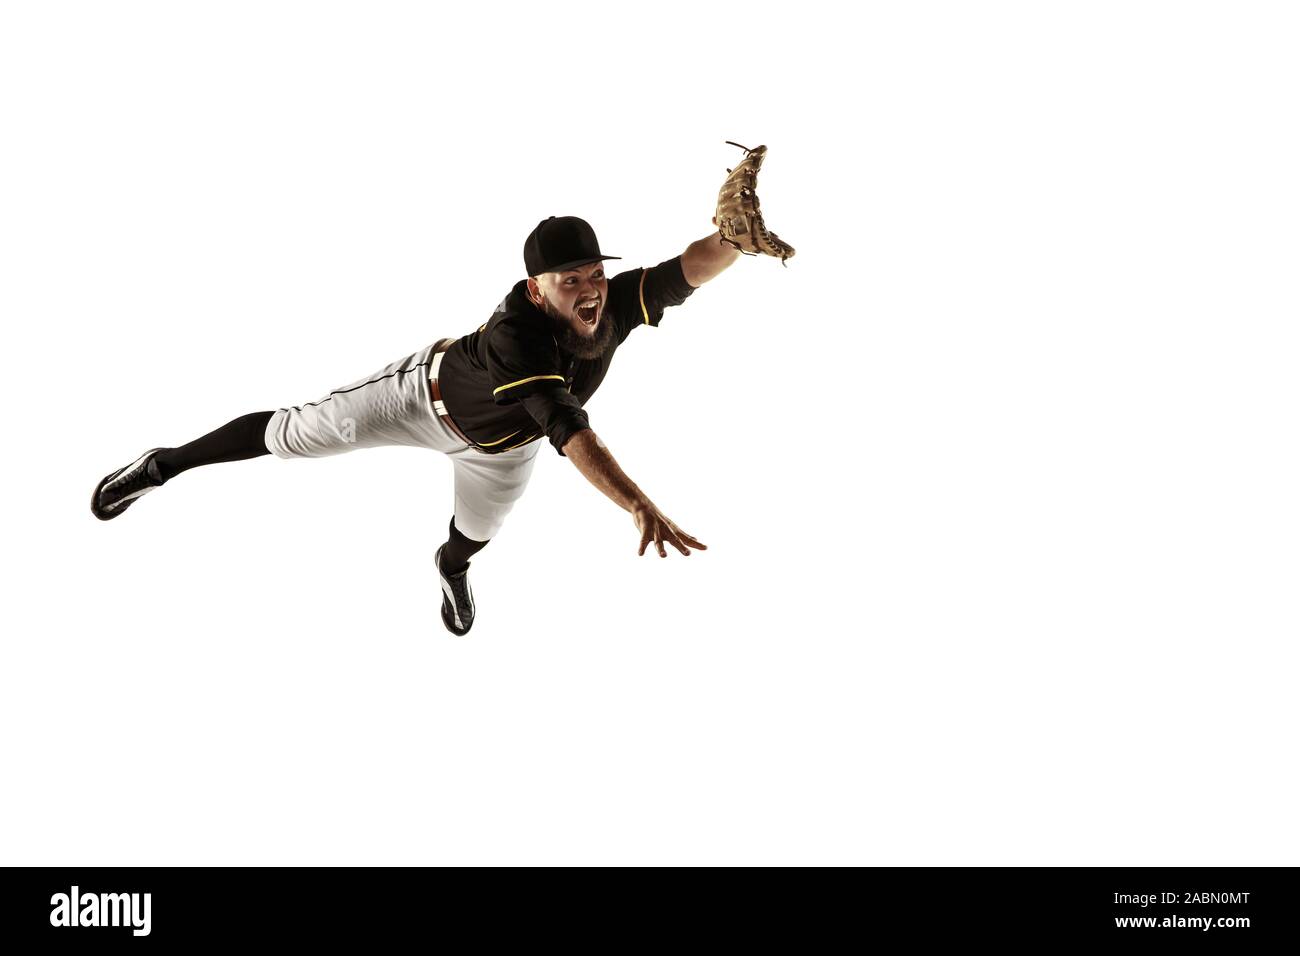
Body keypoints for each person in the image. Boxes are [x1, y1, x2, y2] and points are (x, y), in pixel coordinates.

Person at [91, 214, 742, 635]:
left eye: (596, 273)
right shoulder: (518, 334)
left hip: (503, 448)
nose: (591, 288)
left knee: (478, 532)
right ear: (536, 288)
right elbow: (571, 432)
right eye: (570, 279)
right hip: (419, 401)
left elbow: (687, 269)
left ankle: (449, 570)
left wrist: (733, 242)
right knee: (291, 435)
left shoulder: (610, 305)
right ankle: (161, 466)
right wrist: (637, 503)